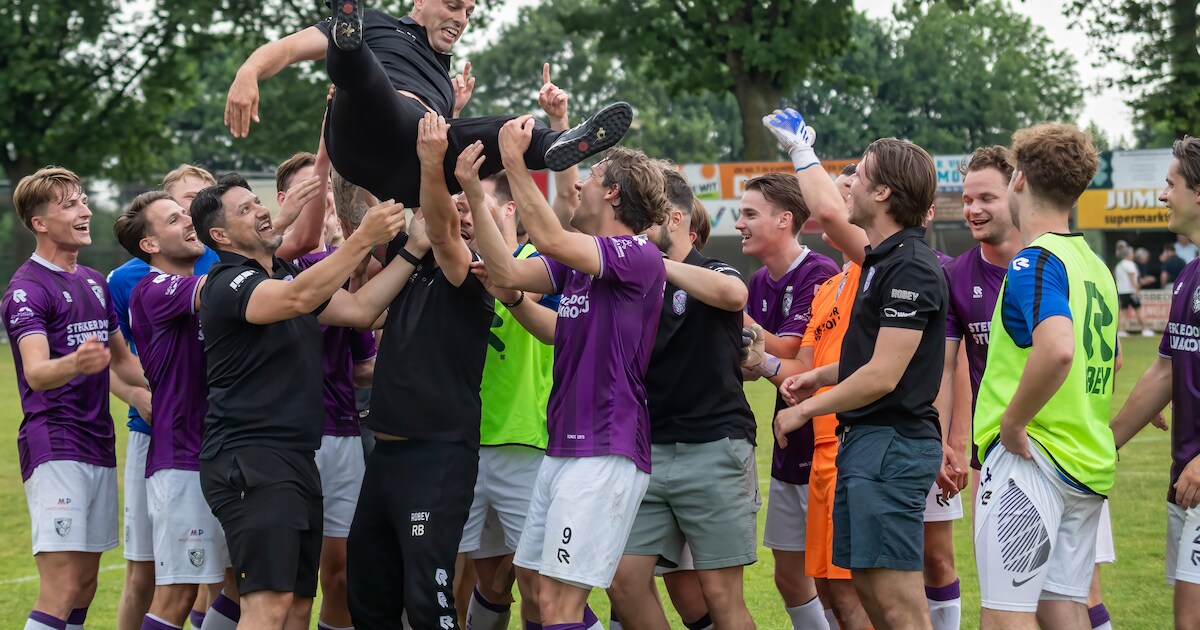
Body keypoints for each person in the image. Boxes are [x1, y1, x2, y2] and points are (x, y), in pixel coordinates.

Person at [462, 116, 668, 628]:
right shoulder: (581, 263)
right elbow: (510, 275)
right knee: (536, 594)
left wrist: (514, 161)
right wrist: (471, 189)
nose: (577, 184)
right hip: (564, 448)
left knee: (557, 604)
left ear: (613, 194)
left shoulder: (637, 254)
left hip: (605, 448)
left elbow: (549, 238)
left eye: (591, 177)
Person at [191, 170, 413, 630]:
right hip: (249, 457)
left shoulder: (282, 274)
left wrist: (415, 251)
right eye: (245, 209)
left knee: (293, 607)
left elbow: (359, 310)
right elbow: (297, 298)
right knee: (268, 604)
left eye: (258, 202)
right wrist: (362, 238)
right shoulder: (228, 283)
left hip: (293, 457)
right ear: (219, 234)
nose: (261, 210)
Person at [769, 110, 947, 630]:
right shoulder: (882, 260)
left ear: (885, 193)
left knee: (897, 605)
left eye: (861, 176)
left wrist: (806, 412)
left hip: (892, 444)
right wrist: (817, 377)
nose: (851, 186)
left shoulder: (910, 265)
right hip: (870, 441)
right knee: (870, 592)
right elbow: (869, 359)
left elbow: (883, 376)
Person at [224, 0, 632, 208]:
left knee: (510, 128)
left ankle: (555, 144)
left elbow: (441, 144)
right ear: (419, 1)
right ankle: (345, 35)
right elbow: (289, 48)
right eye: (453, 5)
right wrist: (249, 71)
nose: (462, 18)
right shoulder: (380, 25)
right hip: (361, 134)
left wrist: (451, 110)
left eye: (469, 12)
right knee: (360, 65)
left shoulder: (442, 78)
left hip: (413, 172)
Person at [969, 123, 1116, 629]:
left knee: (1005, 617)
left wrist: (1012, 422)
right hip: (1082, 466)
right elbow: (1111, 360)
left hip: (1034, 462)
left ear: (1020, 180)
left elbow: (1057, 350)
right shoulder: (1094, 265)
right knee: (1063, 610)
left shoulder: (1036, 259)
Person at [606, 166, 757, 630]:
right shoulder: (633, 282)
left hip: (714, 447)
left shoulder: (713, 269)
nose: (633, 232)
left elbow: (734, 294)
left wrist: (653, 264)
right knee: (622, 580)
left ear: (673, 218)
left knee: (720, 596)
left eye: (643, 220)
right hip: (648, 453)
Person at [2, 167, 151, 630]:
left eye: (83, 200)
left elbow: (124, 362)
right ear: (39, 222)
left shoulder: (92, 281)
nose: (85, 211)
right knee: (62, 588)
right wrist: (76, 362)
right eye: (69, 204)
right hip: (55, 445)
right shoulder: (27, 289)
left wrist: (169, 390)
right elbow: (37, 373)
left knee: (86, 585)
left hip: (97, 443)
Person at [108, 164, 223, 630]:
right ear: (150, 242)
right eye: (178, 211)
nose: (192, 216)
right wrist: (138, 394)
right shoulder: (142, 284)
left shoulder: (215, 262)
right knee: (162, 581)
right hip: (172, 447)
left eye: (197, 205)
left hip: (221, 446)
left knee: (234, 582)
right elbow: (110, 358)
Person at [735, 171, 839, 629]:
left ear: (785, 220)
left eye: (749, 213)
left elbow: (795, 360)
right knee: (790, 577)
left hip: (826, 439)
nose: (739, 223)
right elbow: (756, 364)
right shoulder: (758, 280)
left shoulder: (820, 273)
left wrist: (728, 308)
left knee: (836, 580)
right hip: (787, 437)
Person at [1110, 135, 1200, 630]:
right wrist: (1106, 445)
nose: (1162, 195)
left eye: (1171, 184)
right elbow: (1164, 369)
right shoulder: (1190, 275)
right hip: (1184, 477)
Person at [1114, 243, 1151, 336]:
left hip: (1122, 292)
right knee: (1139, 309)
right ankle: (1145, 329)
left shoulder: (1119, 265)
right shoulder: (1130, 264)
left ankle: (1121, 331)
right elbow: (1132, 277)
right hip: (1130, 291)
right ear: (1129, 254)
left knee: (1123, 311)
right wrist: (1136, 287)